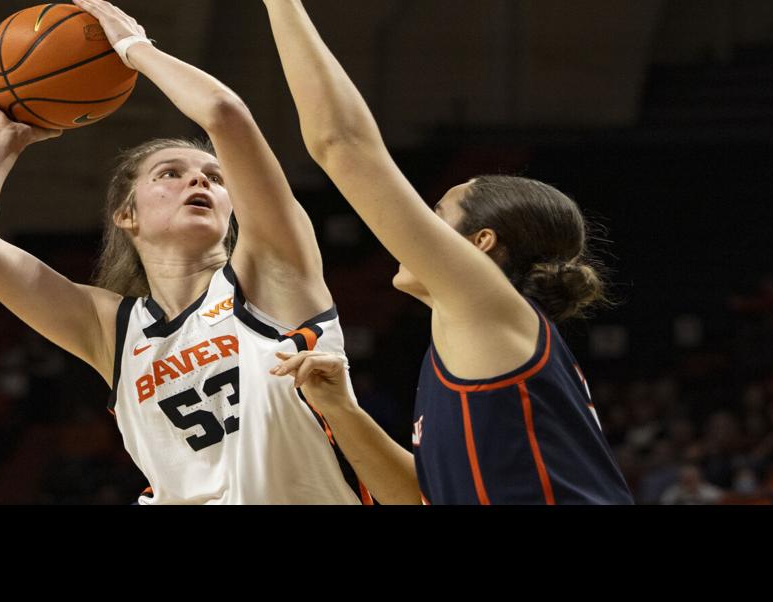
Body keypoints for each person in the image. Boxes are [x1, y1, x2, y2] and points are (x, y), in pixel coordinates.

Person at [0, 0, 362, 504]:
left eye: (214, 177)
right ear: (126, 215)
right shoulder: (110, 327)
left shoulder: (273, 273)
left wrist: (135, 49)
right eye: (169, 174)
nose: (199, 178)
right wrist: (3, 140)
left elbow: (225, 115)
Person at [261, 0, 633, 505]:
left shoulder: (488, 306)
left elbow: (340, 143)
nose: (414, 231)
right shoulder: (469, 342)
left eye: (436, 216)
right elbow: (419, 498)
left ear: (481, 244)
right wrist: (342, 409)